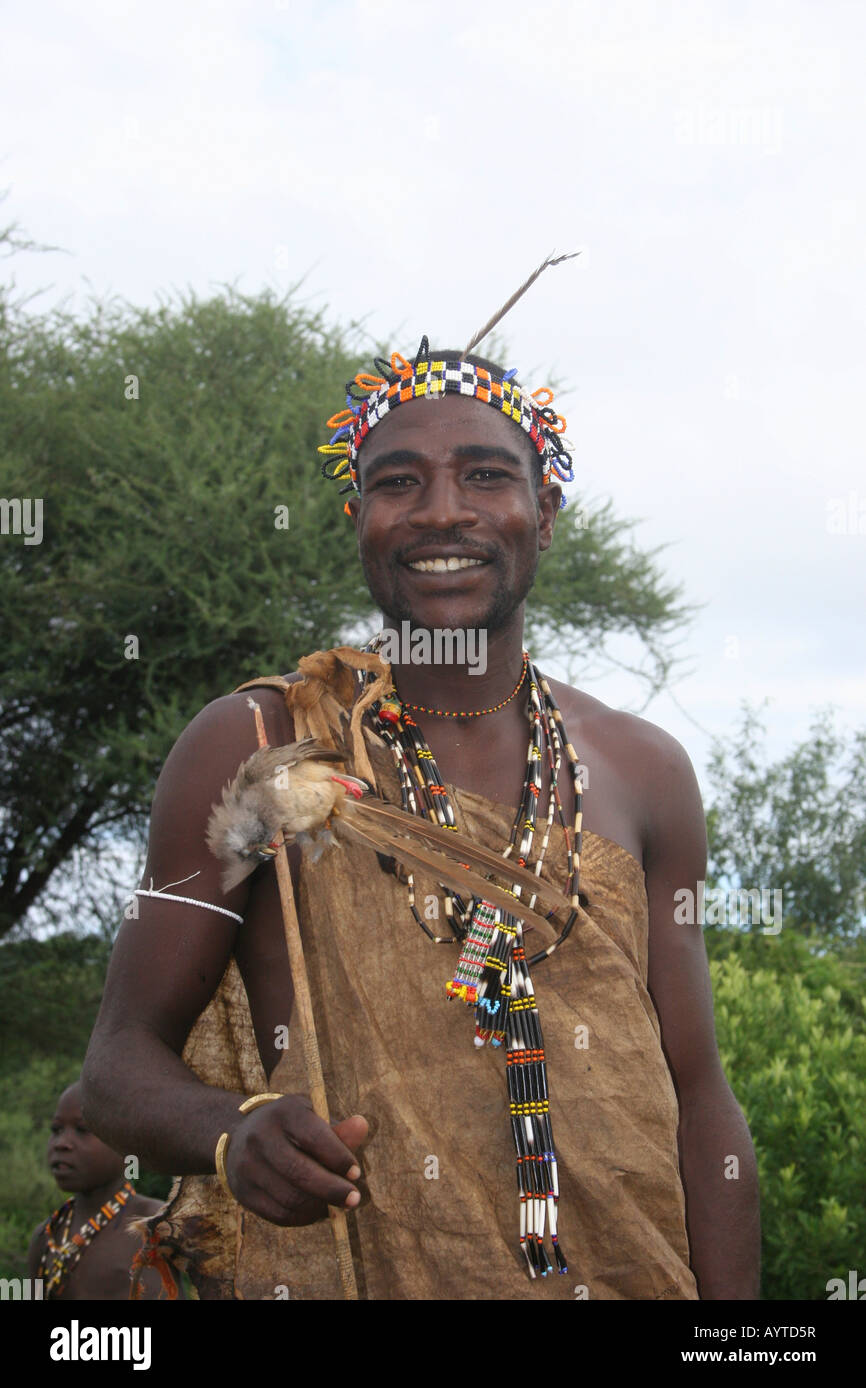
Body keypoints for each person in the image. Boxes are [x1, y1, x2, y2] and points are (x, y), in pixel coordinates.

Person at [81, 337, 760, 1300]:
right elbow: (115, 1067)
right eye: (400, 482)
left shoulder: (643, 769)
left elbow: (699, 1097)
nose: (444, 510)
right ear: (359, 517)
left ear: (546, 513)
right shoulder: (264, 743)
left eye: (486, 476)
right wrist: (232, 1131)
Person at [26, 1081, 171, 1300]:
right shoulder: (47, 1237)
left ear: (126, 1143)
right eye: (56, 1130)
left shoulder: (159, 1223)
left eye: (82, 1130)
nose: (61, 1143)